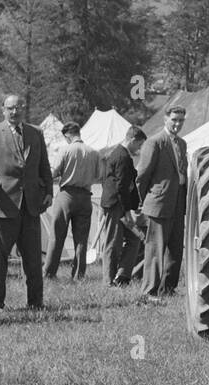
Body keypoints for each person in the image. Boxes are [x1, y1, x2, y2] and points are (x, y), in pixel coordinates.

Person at [0, 94, 54, 311]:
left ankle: (36, 304)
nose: (15, 111)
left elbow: (44, 166)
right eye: (10, 108)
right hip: (2, 204)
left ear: (23, 109)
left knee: (34, 260)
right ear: (3, 110)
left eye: (18, 107)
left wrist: (49, 192)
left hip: (31, 206)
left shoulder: (35, 132)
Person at [136, 105, 189, 301]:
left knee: (176, 248)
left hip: (177, 203)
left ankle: (168, 288)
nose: (177, 124)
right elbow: (142, 175)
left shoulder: (182, 144)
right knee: (156, 250)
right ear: (165, 119)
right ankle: (149, 292)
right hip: (158, 203)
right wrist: (144, 202)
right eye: (174, 119)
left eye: (181, 120)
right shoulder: (154, 142)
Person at [44, 122, 103, 280]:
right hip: (85, 197)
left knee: (57, 235)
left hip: (67, 196)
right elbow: (98, 175)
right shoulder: (94, 153)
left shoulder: (65, 150)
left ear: (67, 135)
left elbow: (53, 173)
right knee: (81, 239)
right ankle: (78, 276)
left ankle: (49, 273)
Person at [101, 125, 147, 284]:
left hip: (119, 204)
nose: (140, 148)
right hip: (116, 205)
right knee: (113, 243)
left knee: (134, 239)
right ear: (133, 140)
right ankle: (108, 281)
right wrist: (127, 211)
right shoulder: (122, 156)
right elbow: (121, 186)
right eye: (139, 144)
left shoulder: (122, 154)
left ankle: (122, 276)